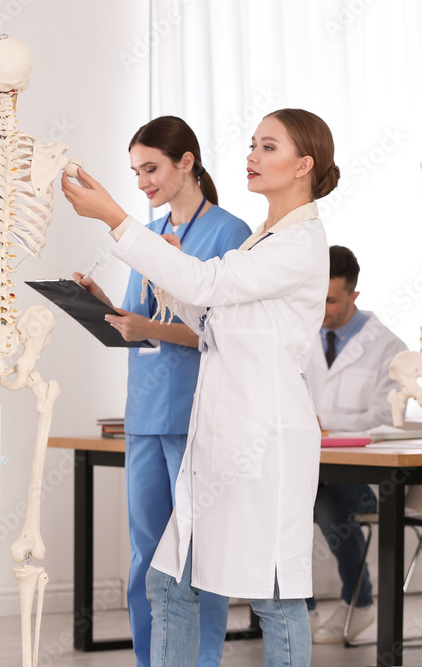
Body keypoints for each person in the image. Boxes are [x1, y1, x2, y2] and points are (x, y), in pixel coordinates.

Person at [63, 108, 339, 667]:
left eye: (268, 147)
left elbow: (208, 282)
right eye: (252, 145)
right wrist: (151, 291)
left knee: (275, 597)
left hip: (266, 438)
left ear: (303, 165)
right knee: (170, 582)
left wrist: (114, 218)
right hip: (218, 434)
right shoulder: (264, 239)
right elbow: (211, 313)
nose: (251, 156)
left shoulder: (300, 244)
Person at [73, 116, 250, 667]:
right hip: (147, 411)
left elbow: (222, 332)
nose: (143, 181)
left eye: (151, 168)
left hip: (198, 412)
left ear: (187, 162)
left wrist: (148, 327)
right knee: (148, 555)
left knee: (197, 553)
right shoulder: (145, 235)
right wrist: (99, 303)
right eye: (136, 171)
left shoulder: (230, 233)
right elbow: (140, 324)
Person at [304, 245, 406, 643]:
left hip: (367, 478)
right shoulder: (301, 337)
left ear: (354, 296)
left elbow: (385, 417)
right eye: (316, 298)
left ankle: (359, 603)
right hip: (308, 468)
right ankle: (300, 609)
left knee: (329, 505)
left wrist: (322, 424)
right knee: (279, 505)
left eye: (331, 300)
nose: (322, 309)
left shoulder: (387, 346)